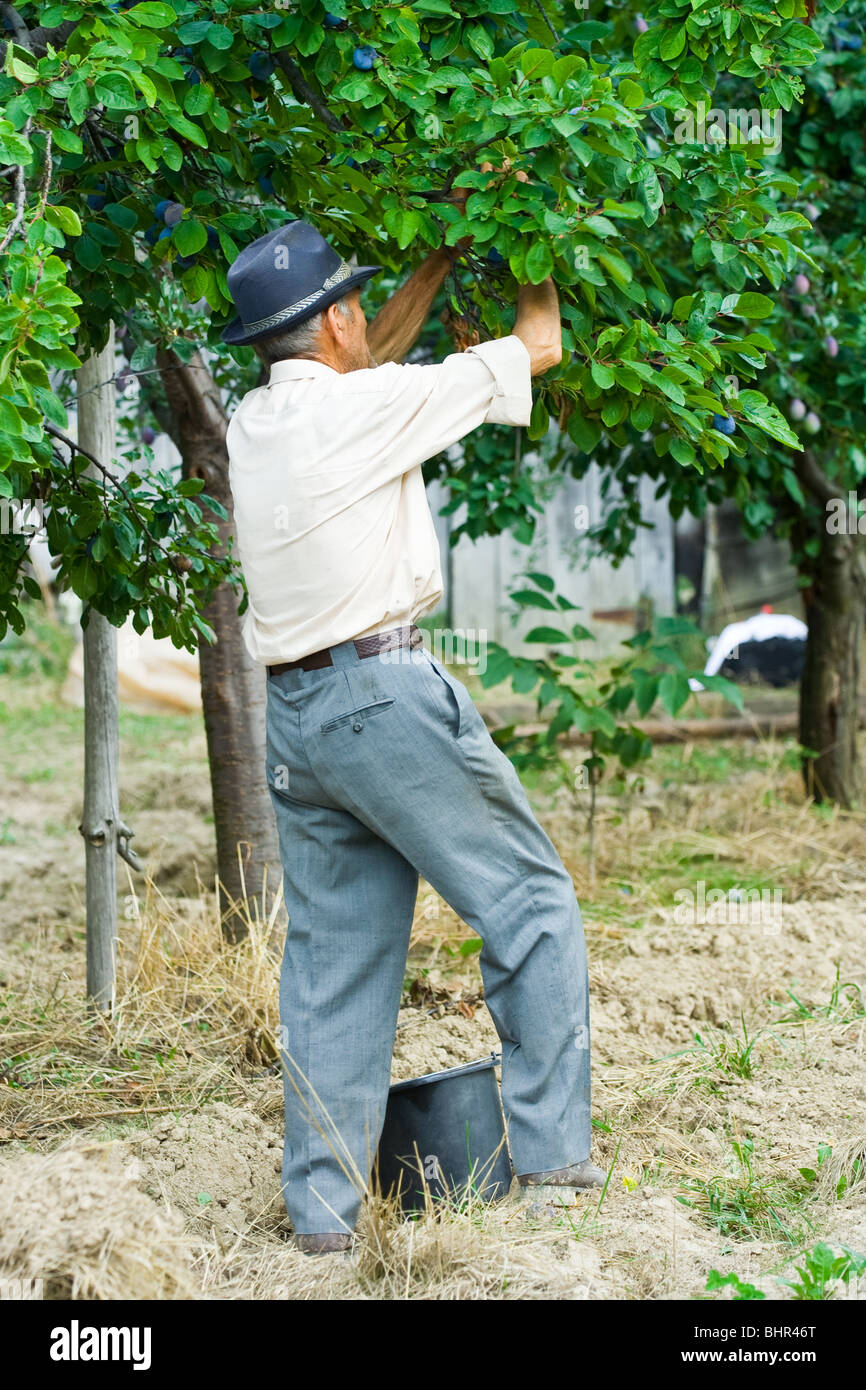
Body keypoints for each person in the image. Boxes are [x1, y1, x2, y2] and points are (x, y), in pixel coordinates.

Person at [223, 214, 603, 1256]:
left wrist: (433, 258)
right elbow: (538, 347)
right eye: (357, 303)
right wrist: (535, 248)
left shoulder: (257, 425)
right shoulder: (369, 409)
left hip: (296, 722)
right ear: (336, 319)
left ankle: (325, 1224)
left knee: (333, 969)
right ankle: (554, 1164)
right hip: (382, 698)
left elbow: (374, 355)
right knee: (528, 900)